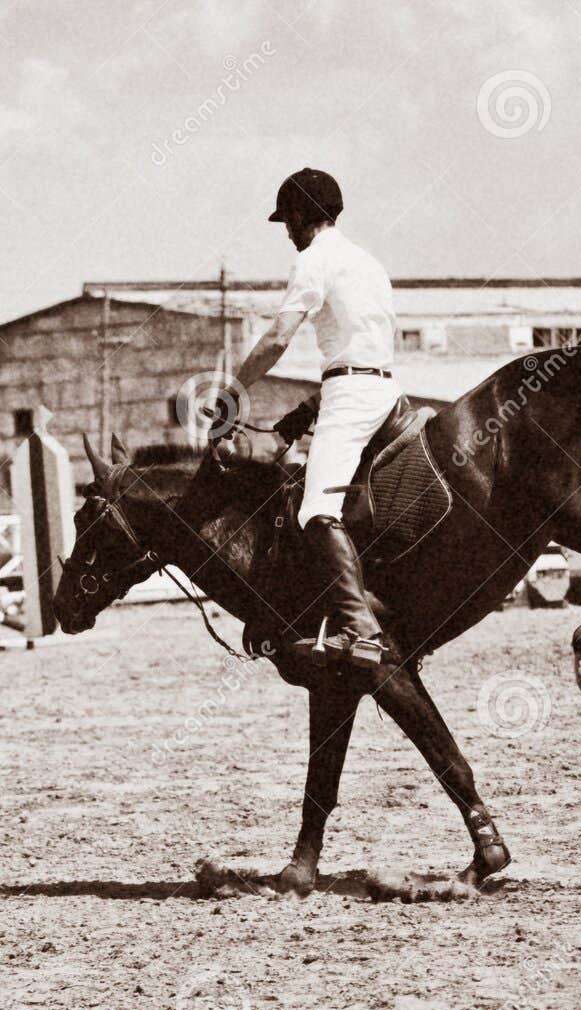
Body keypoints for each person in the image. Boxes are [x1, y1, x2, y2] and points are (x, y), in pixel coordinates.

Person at [224, 167, 399, 668]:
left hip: (352, 395)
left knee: (315, 510)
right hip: (386, 389)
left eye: (288, 221)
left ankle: (362, 630)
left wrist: (235, 391)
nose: (287, 232)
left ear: (302, 215)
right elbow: (361, 349)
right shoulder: (369, 262)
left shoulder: (312, 260)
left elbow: (277, 339)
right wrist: (307, 410)